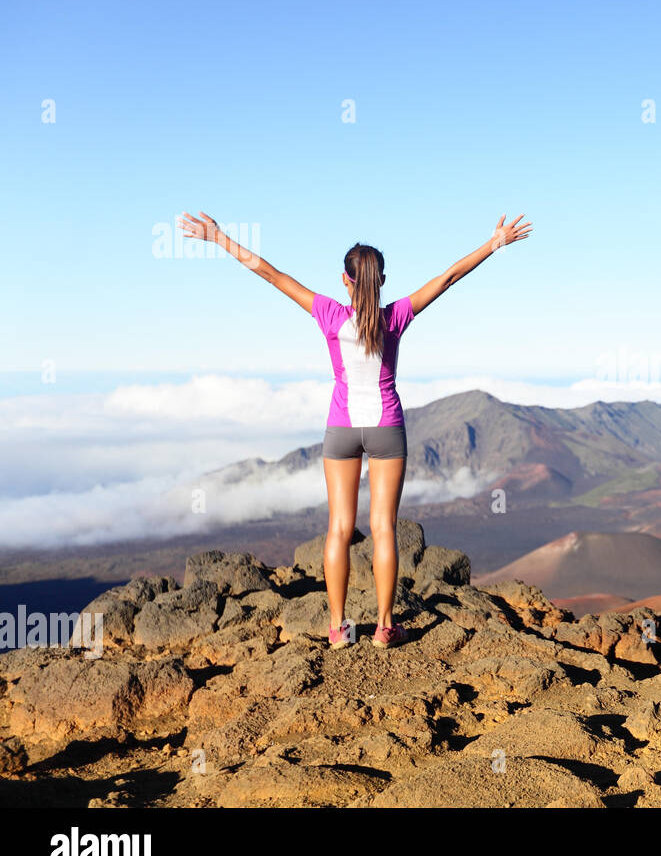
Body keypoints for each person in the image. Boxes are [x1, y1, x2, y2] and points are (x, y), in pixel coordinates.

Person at [180, 211, 532, 648]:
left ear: (344, 281)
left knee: (339, 528)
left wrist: (219, 238)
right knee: (383, 528)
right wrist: (495, 243)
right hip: (387, 428)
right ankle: (385, 627)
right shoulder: (396, 315)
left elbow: (271, 274)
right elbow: (448, 278)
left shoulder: (329, 313)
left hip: (341, 429)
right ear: (382, 280)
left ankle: (339, 628)